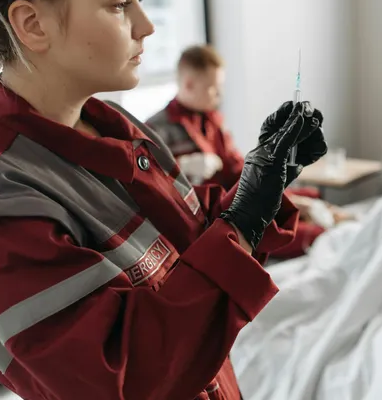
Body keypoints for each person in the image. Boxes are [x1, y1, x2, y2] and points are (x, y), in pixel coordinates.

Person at [0, 0, 327, 400]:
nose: (146, 27)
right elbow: (124, 373)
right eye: (116, 4)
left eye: (139, 1)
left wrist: (263, 185)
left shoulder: (115, 127)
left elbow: (189, 245)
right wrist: (244, 223)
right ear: (33, 24)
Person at [147, 45, 352, 259]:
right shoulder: (156, 130)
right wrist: (184, 166)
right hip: (213, 215)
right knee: (300, 231)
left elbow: (238, 169)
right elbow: (155, 191)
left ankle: (332, 215)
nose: (220, 95)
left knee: (307, 197)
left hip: (237, 197)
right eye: (213, 88)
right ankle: (332, 233)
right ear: (189, 84)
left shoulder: (213, 120)